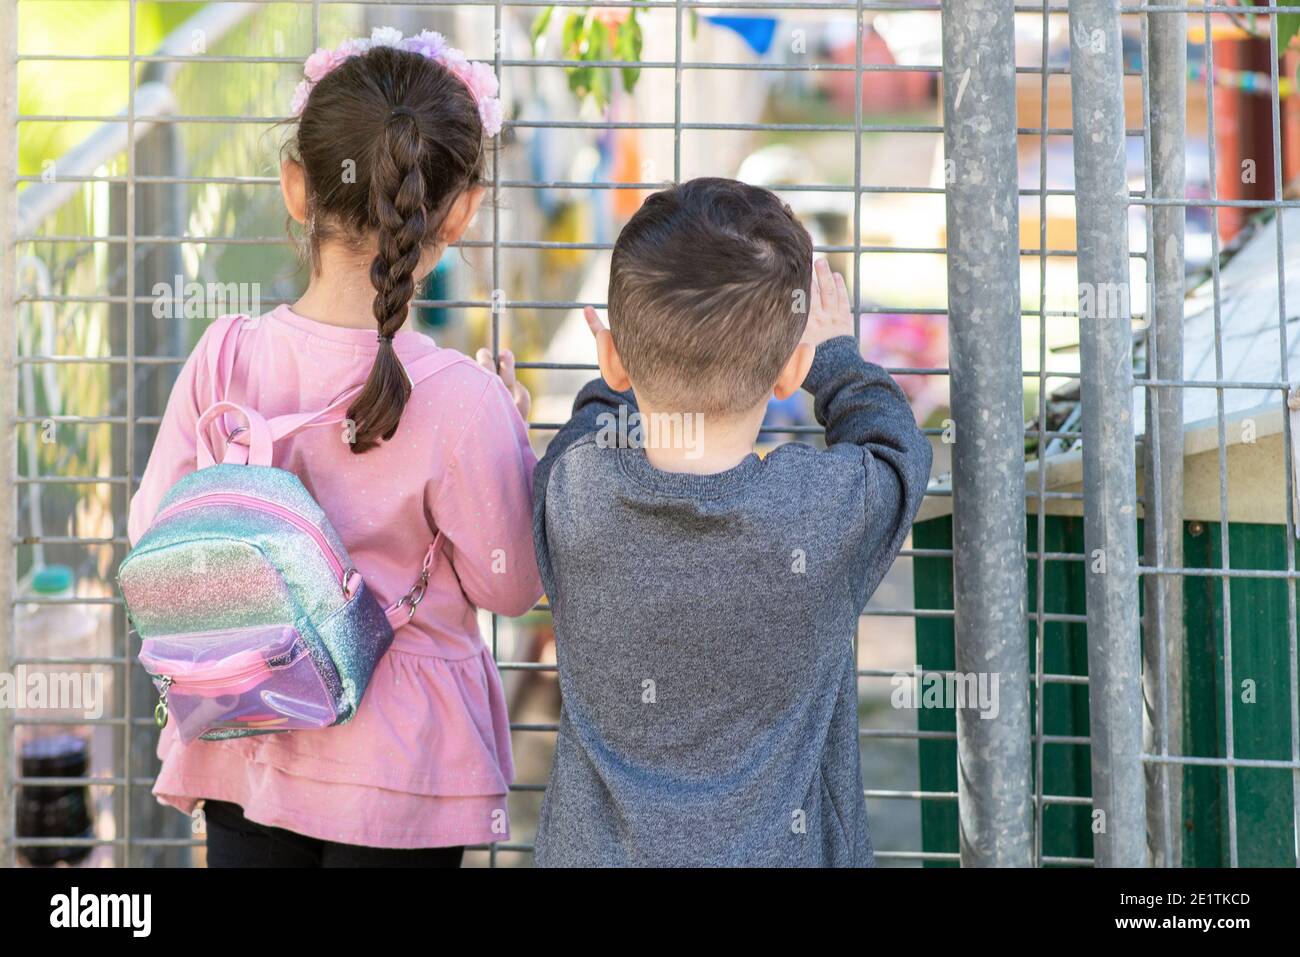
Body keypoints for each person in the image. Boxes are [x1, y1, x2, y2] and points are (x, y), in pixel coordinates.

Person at [127, 29, 539, 867]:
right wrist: (516, 447)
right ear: (459, 213)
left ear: (295, 187)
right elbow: (512, 586)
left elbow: (151, 532)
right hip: (403, 768)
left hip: (247, 735)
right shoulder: (466, 399)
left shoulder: (226, 354)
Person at [531, 178, 933, 866]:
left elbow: (588, 427)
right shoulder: (819, 513)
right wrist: (835, 357)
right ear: (790, 372)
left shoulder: (577, 494)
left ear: (613, 357)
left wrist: (614, 373)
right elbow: (897, 451)